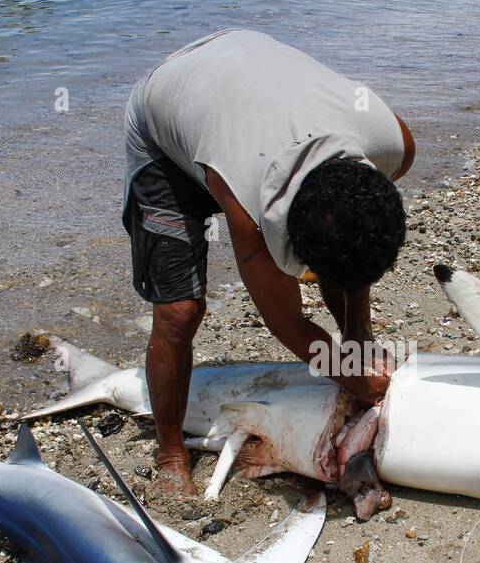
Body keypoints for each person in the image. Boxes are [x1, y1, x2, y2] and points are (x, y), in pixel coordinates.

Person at [122, 29, 416, 495]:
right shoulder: (248, 214)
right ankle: (171, 451)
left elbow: (353, 235)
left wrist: (357, 341)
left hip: (240, 83)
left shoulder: (391, 143)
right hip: (168, 120)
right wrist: (349, 372)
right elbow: (289, 323)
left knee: (347, 249)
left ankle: (356, 341)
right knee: (179, 312)